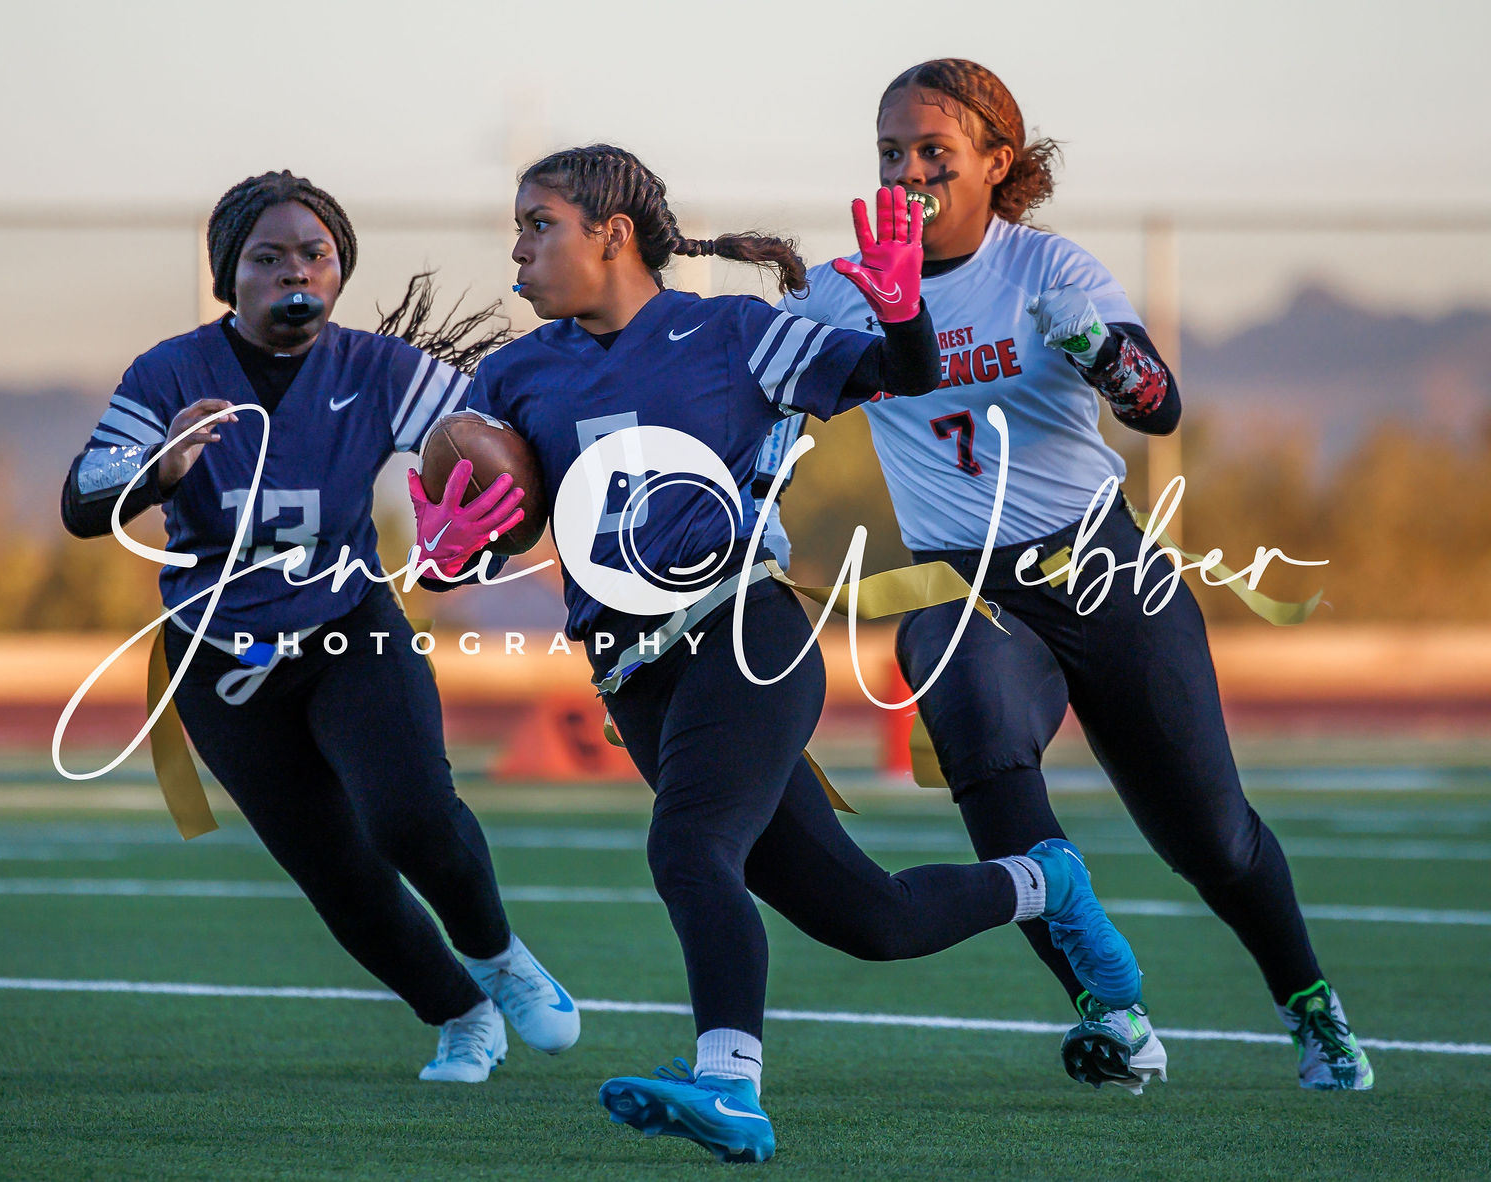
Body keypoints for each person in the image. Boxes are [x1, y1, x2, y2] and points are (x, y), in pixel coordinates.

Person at [448, 142, 1143, 1162]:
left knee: (689, 848)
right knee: (868, 917)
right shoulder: (510, 374)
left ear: (612, 234)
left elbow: (896, 376)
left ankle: (729, 1084)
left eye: (536, 223)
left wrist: (903, 313)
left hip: (743, 629)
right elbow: (501, 530)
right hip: (632, 671)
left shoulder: (731, 332)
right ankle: (1045, 882)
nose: (516, 248)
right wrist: (454, 545)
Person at [780, 59, 1372, 1093]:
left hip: (1104, 570)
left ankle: (1308, 1003)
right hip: (963, 583)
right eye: (889, 152)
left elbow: (1157, 407)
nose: (908, 172)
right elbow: (763, 409)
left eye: (934, 151)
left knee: (1212, 842)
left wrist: (1104, 353)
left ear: (995, 162)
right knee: (967, 708)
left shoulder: (1047, 269)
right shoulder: (847, 290)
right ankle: (1112, 1006)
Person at [59, 169, 579, 1084]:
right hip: (219, 652)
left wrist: (480, 519)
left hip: (347, 626)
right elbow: (80, 501)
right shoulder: (169, 372)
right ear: (231, 273)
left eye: (315, 254)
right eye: (268, 257)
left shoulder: (376, 367)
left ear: (340, 272)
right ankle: (460, 1016)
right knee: (334, 867)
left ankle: (500, 959)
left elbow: (491, 448)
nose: (293, 272)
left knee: (409, 815)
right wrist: (157, 466)